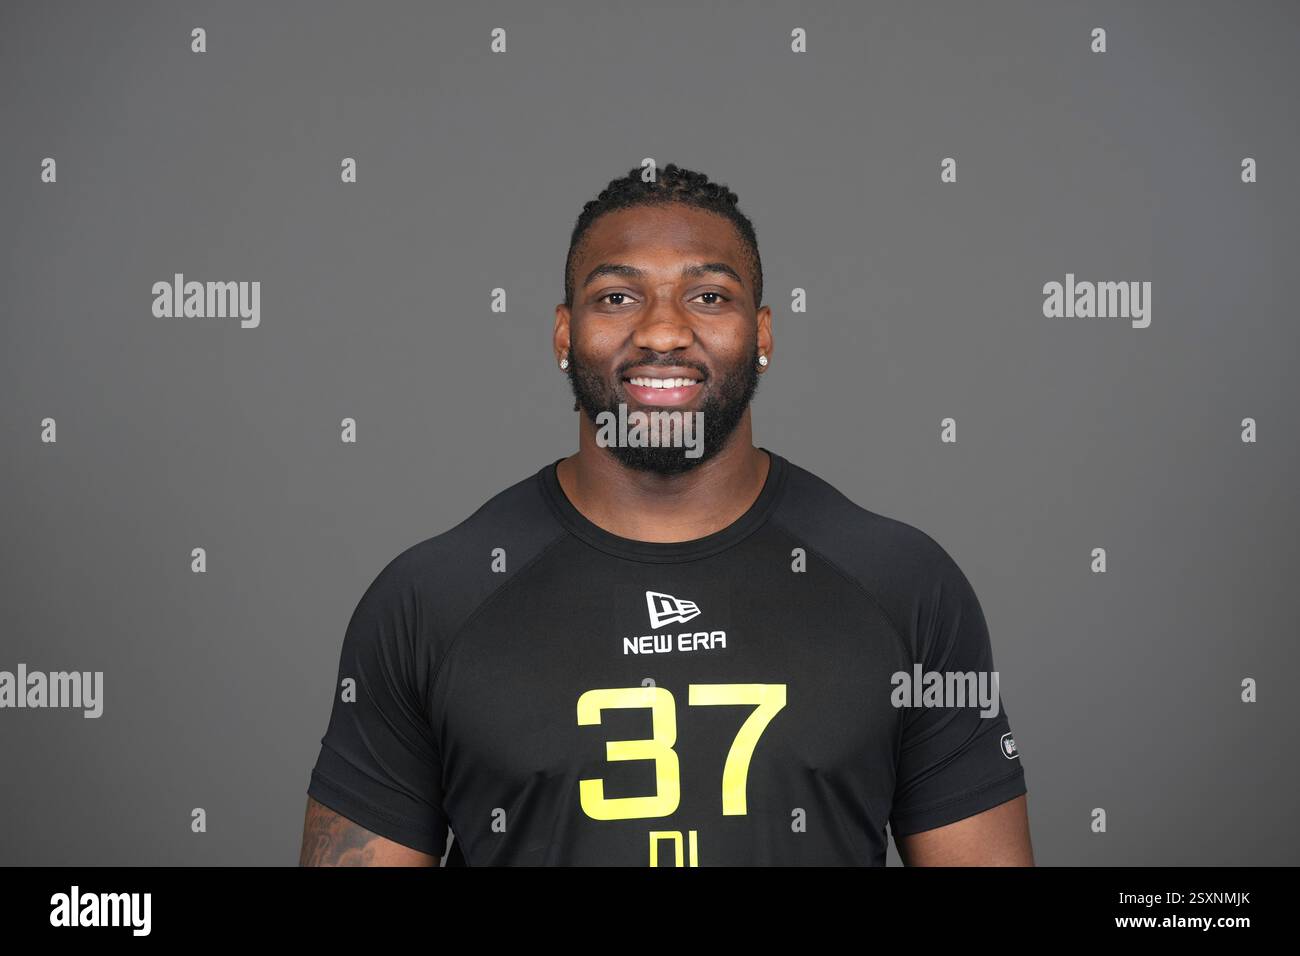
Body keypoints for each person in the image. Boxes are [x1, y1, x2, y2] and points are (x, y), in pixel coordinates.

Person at [298, 163, 1033, 866]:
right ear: (563, 334)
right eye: (617, 297)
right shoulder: (431, 601)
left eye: (709, 297)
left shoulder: (901, 584)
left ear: (765, 334)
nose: (661, 332)